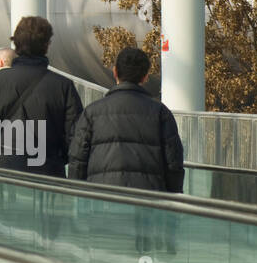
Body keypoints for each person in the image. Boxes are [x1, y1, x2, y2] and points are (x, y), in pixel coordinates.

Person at [0, 16, 83, 177]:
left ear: (15, 44)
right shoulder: (63, 86)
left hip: (5, 175)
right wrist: (55, 159)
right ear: (47, 45)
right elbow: (76, 136)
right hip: (49, 175)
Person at [69, 47, 185, 192]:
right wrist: (172, 196)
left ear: (115, 71)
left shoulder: (91, 113)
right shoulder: (161, 113)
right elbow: (174, 163)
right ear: (145, 77)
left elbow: (77, 160)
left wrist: (77, 195)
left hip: (101, 201)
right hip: (149, 204)